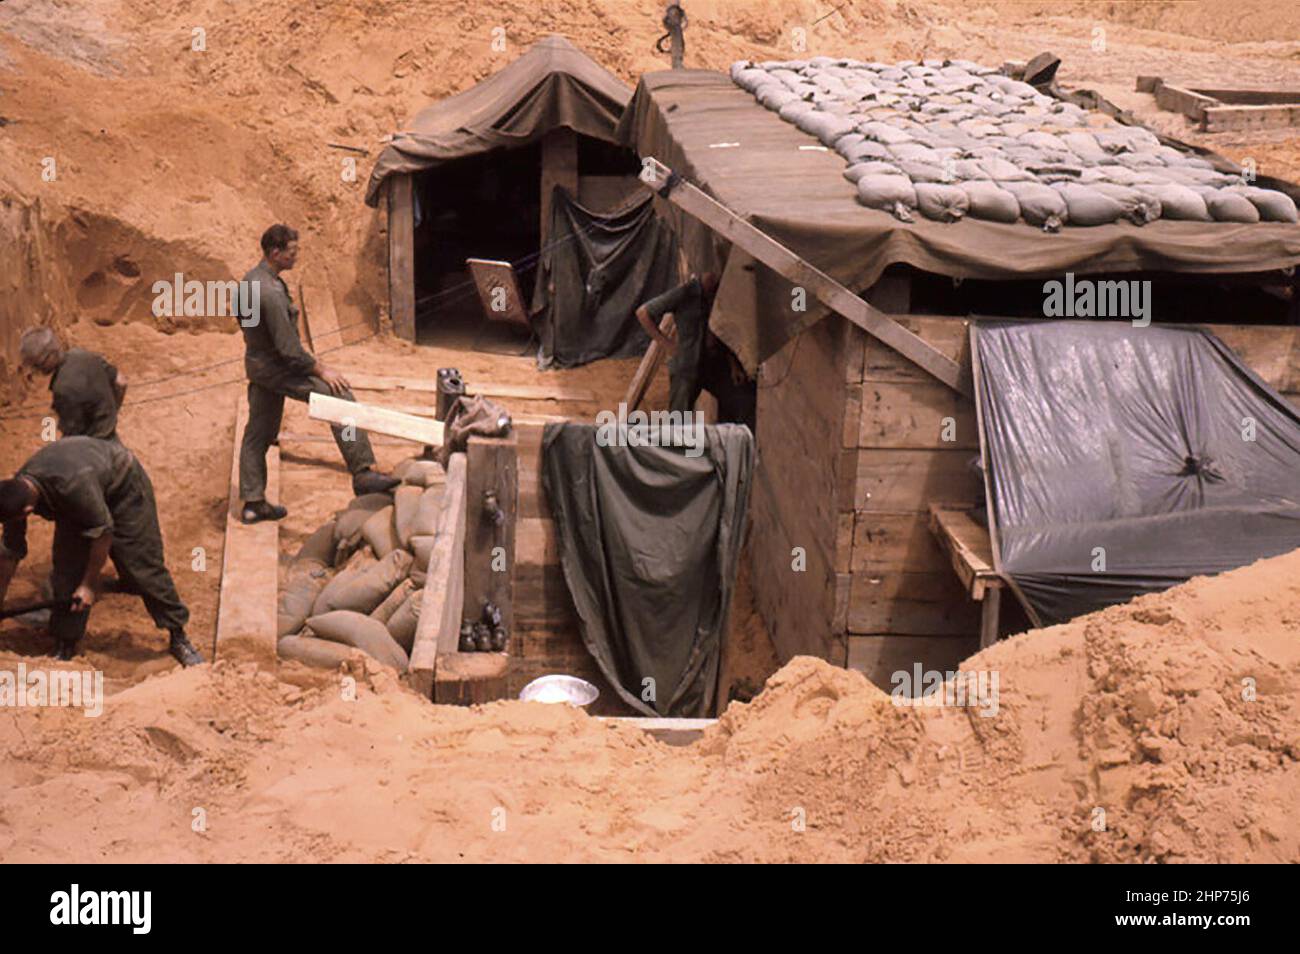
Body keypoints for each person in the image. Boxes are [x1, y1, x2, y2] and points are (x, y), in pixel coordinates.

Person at [237, 224, 398, 524]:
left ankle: (253, 501)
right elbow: (289, 350)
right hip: (278, 369)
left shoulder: (250, 280)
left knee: (258, 434)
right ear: (276, 253)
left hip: (258, 366)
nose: (296, 256)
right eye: (292, 251)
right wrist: (321, 369)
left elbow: (243, 320)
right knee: (341, 398)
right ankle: (362, 472)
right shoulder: (271, 292)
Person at [0, 437, 203, 666]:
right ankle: (66, 641)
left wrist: (88, 586)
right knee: (67, 571)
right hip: (79, 495)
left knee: (142, 566)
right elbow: (10, 551)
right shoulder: (13, 492)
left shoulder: (72, 487)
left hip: (122, 486)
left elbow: (103, 532)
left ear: (27, 511)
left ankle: (178, 634)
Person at [635, 272, 756, 430]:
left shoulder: (721, 294)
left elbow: (724, 331)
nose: (715, 278)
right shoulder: (685, 293)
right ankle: (674, 450)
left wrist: (733, 364)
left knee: (742, 400)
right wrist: (666, 344)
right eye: (712, 274)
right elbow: (643, 313)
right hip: (687, 367)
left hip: (712, 364)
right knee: (677, 422)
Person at [19, 328, 126, 441]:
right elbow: (121, 382)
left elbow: (72, 436)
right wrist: (110, 417)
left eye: (37, 364)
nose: (36, 370)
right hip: (112, 440)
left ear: (51, 356)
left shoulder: (62, 388)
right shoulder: (82, 354)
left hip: (90, 448)